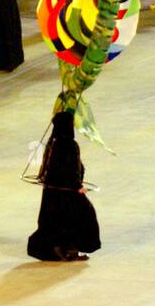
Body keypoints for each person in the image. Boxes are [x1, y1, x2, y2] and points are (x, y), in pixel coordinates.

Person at [26, 111, 101, 262]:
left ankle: (66, 249)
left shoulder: (53, 142)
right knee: (83, 217)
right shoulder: (68, 145)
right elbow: (69, 168)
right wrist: (77, 187)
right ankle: (66, 248)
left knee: (59, 222)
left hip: (52, 193)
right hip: (66, 192)